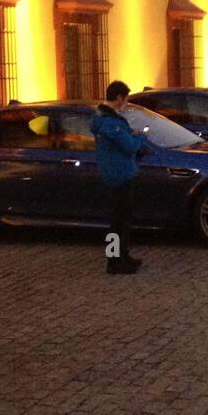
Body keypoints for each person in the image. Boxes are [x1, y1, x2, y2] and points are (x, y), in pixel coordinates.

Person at [90, 80, 145, 274]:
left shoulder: (101, 119)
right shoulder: (111, 123)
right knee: (118, 221)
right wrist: (140, 136)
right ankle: (114, 261)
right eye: (126, 99)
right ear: (120, 97)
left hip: (113, 172)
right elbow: (129, 146)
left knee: (120, 219)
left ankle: (122, 255)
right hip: (120, 174)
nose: (126, 103)